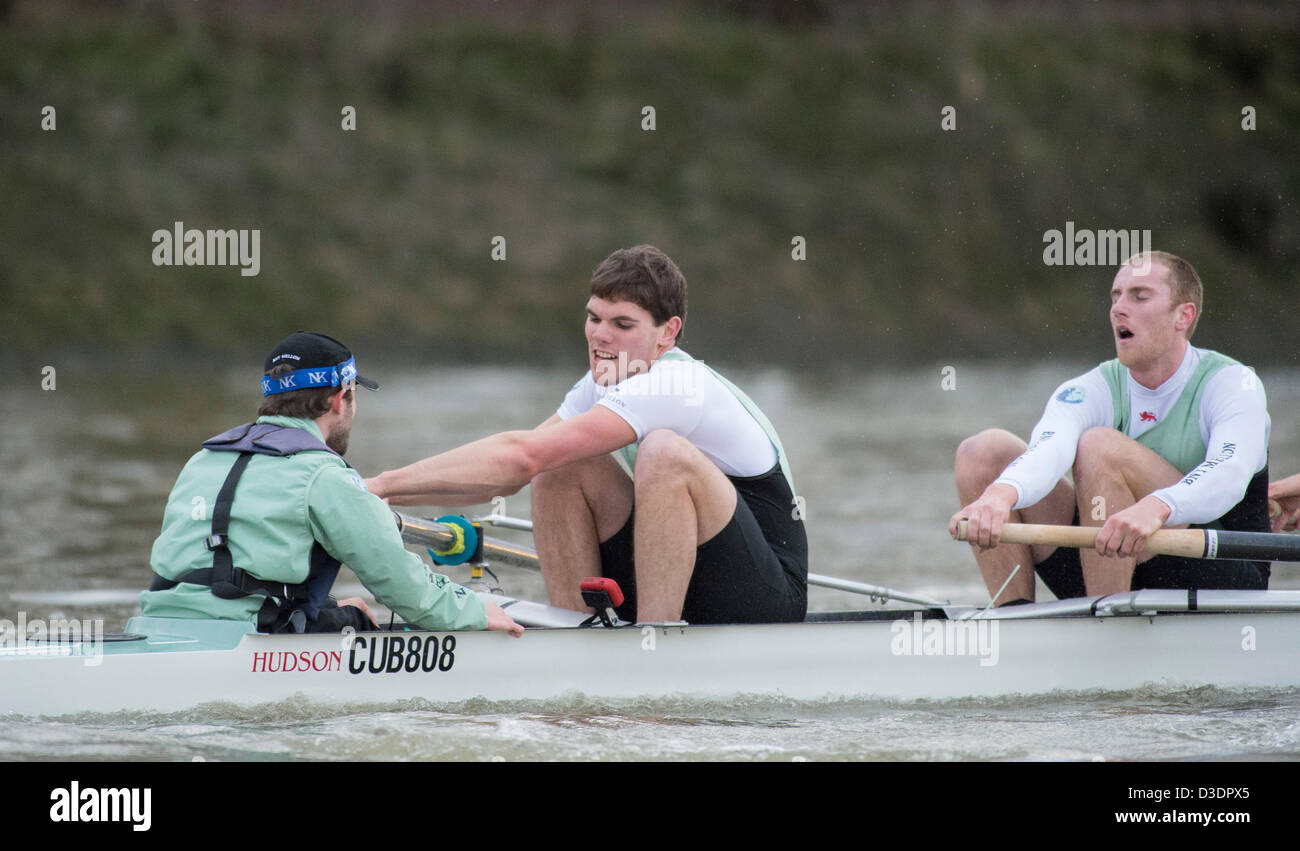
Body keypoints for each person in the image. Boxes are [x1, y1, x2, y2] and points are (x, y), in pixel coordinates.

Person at [367, 245, 808, 624]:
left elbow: (521, 457)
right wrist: (381, 494)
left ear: (667, 333)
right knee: (562, 461)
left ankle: (653, 647)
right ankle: (575, 635)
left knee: (663, 451)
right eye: (594, 318)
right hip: (676, 573)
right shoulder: (603, 379)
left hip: (764, 595)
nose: (600, 335)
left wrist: (382, 484)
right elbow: (513, 471)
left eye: (622, 324)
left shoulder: (680, 386)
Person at [142, 331, 523, 637]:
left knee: (340, 613)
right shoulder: (325, 476)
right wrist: (475, 610)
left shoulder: (202, 460)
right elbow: (407, 590)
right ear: (341, 399)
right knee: (359, 622)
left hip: (153, 629)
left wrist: (330, 611)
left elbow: (231, 569)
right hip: (249, 642)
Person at [949, 251, 1271, 604]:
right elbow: (1050, 450)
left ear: (1183, 315)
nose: (1118, 308)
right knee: (982, 453)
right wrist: (999, 495)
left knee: (1099, 446)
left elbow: (1229, 472)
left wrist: (1156, 506)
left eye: (1139, 295)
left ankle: (1105, 624)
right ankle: (1012, 623)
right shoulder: (1093, 387)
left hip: (1218, 570)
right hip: (1106, 556)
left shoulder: (1231, 383)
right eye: (1115, 296)